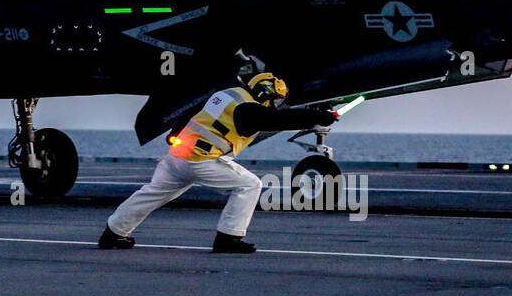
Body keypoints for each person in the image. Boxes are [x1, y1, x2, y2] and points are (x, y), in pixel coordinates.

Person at [98, 73, 338, 253]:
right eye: (274, 99)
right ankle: (228, 238)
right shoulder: (247, 109)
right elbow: (273, 119)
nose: (274, 104)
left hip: (177, 156)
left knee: (152, 193)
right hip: (201, 160)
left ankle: (113, 233)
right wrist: (318, 117)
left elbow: (188, 115)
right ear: (265, 92)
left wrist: (175, 134)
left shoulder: (226, 95)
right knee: (249, 185)